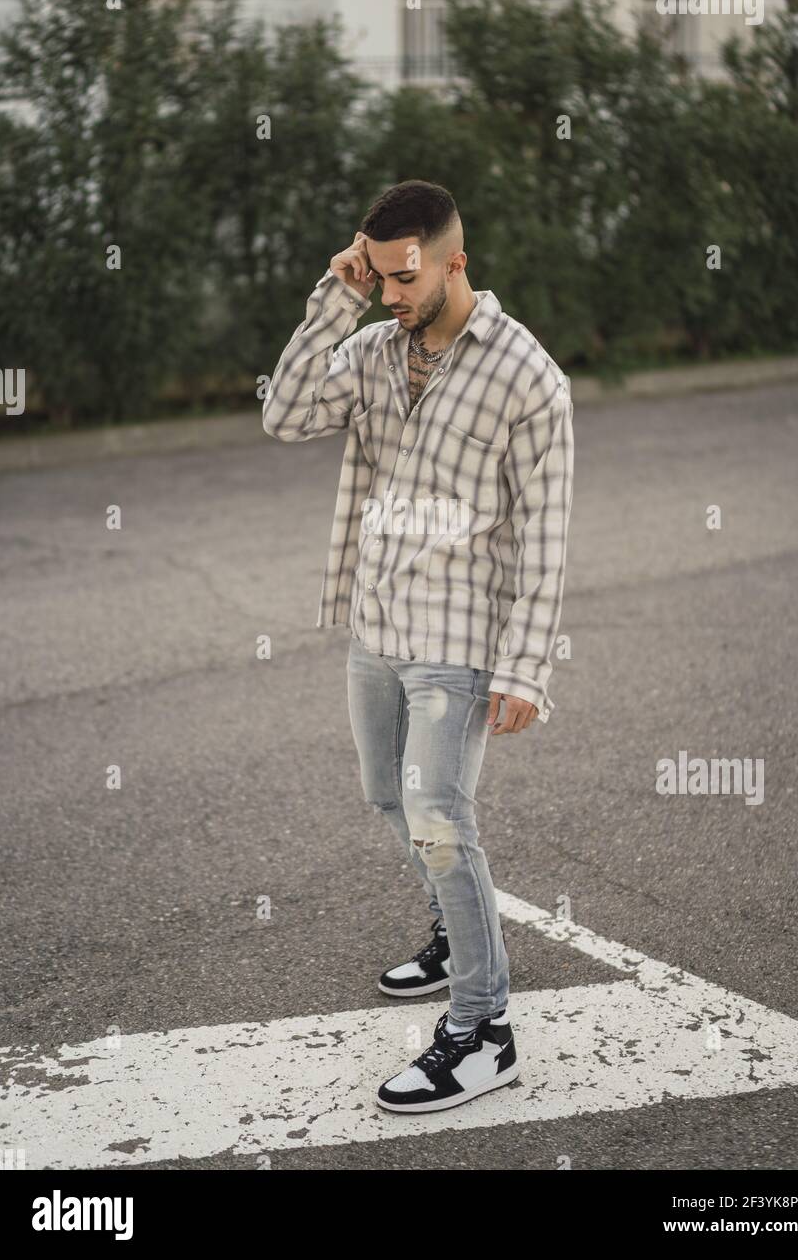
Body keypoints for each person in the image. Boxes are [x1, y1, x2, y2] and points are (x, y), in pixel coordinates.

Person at [262, 180, 574, 1113]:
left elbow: (547, 533)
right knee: (383, 797)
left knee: (438, 814)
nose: (393, 294)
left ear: (454, 260)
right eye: (381, 276)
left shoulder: (527, 376)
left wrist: (526, 665)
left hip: (459, 633)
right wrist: (336, 294)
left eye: (405, 277)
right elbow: (283, 415)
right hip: (377, 622)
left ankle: (484, 1031)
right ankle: (452, 933)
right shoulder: (372, 346)